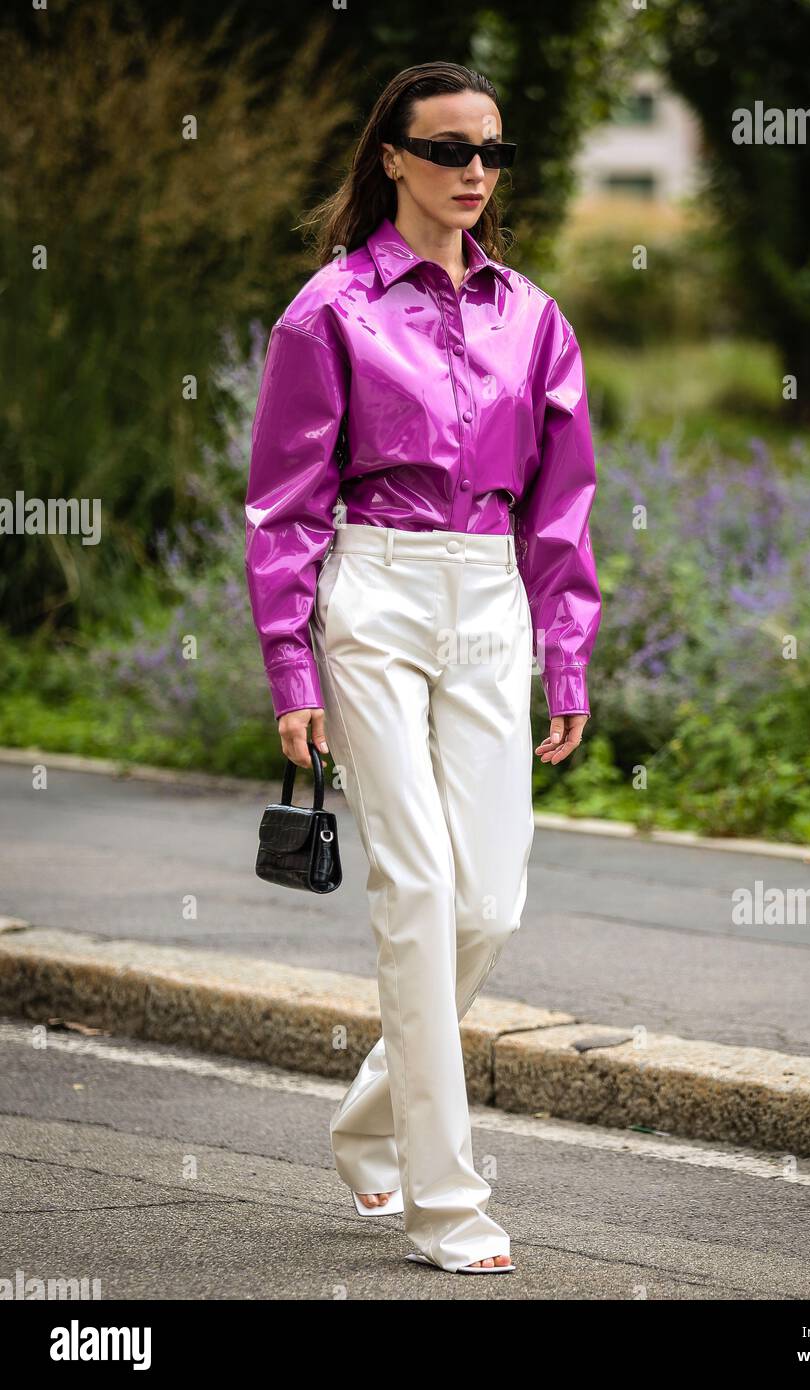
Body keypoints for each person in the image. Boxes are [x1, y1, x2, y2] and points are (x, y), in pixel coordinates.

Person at [243, 60, 602, 1275]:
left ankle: (365, 1120)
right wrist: (291, 665)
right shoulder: (328, 312)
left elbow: (562, 510)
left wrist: (567, 655)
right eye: (448, 149)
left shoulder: (533, 317)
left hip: (494, 595)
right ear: (390, 155)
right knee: (417, 893)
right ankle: (445, 1201)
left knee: (489, 901)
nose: (472, 174)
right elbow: (284, 505)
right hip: (376, 593)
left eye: (491, 153)